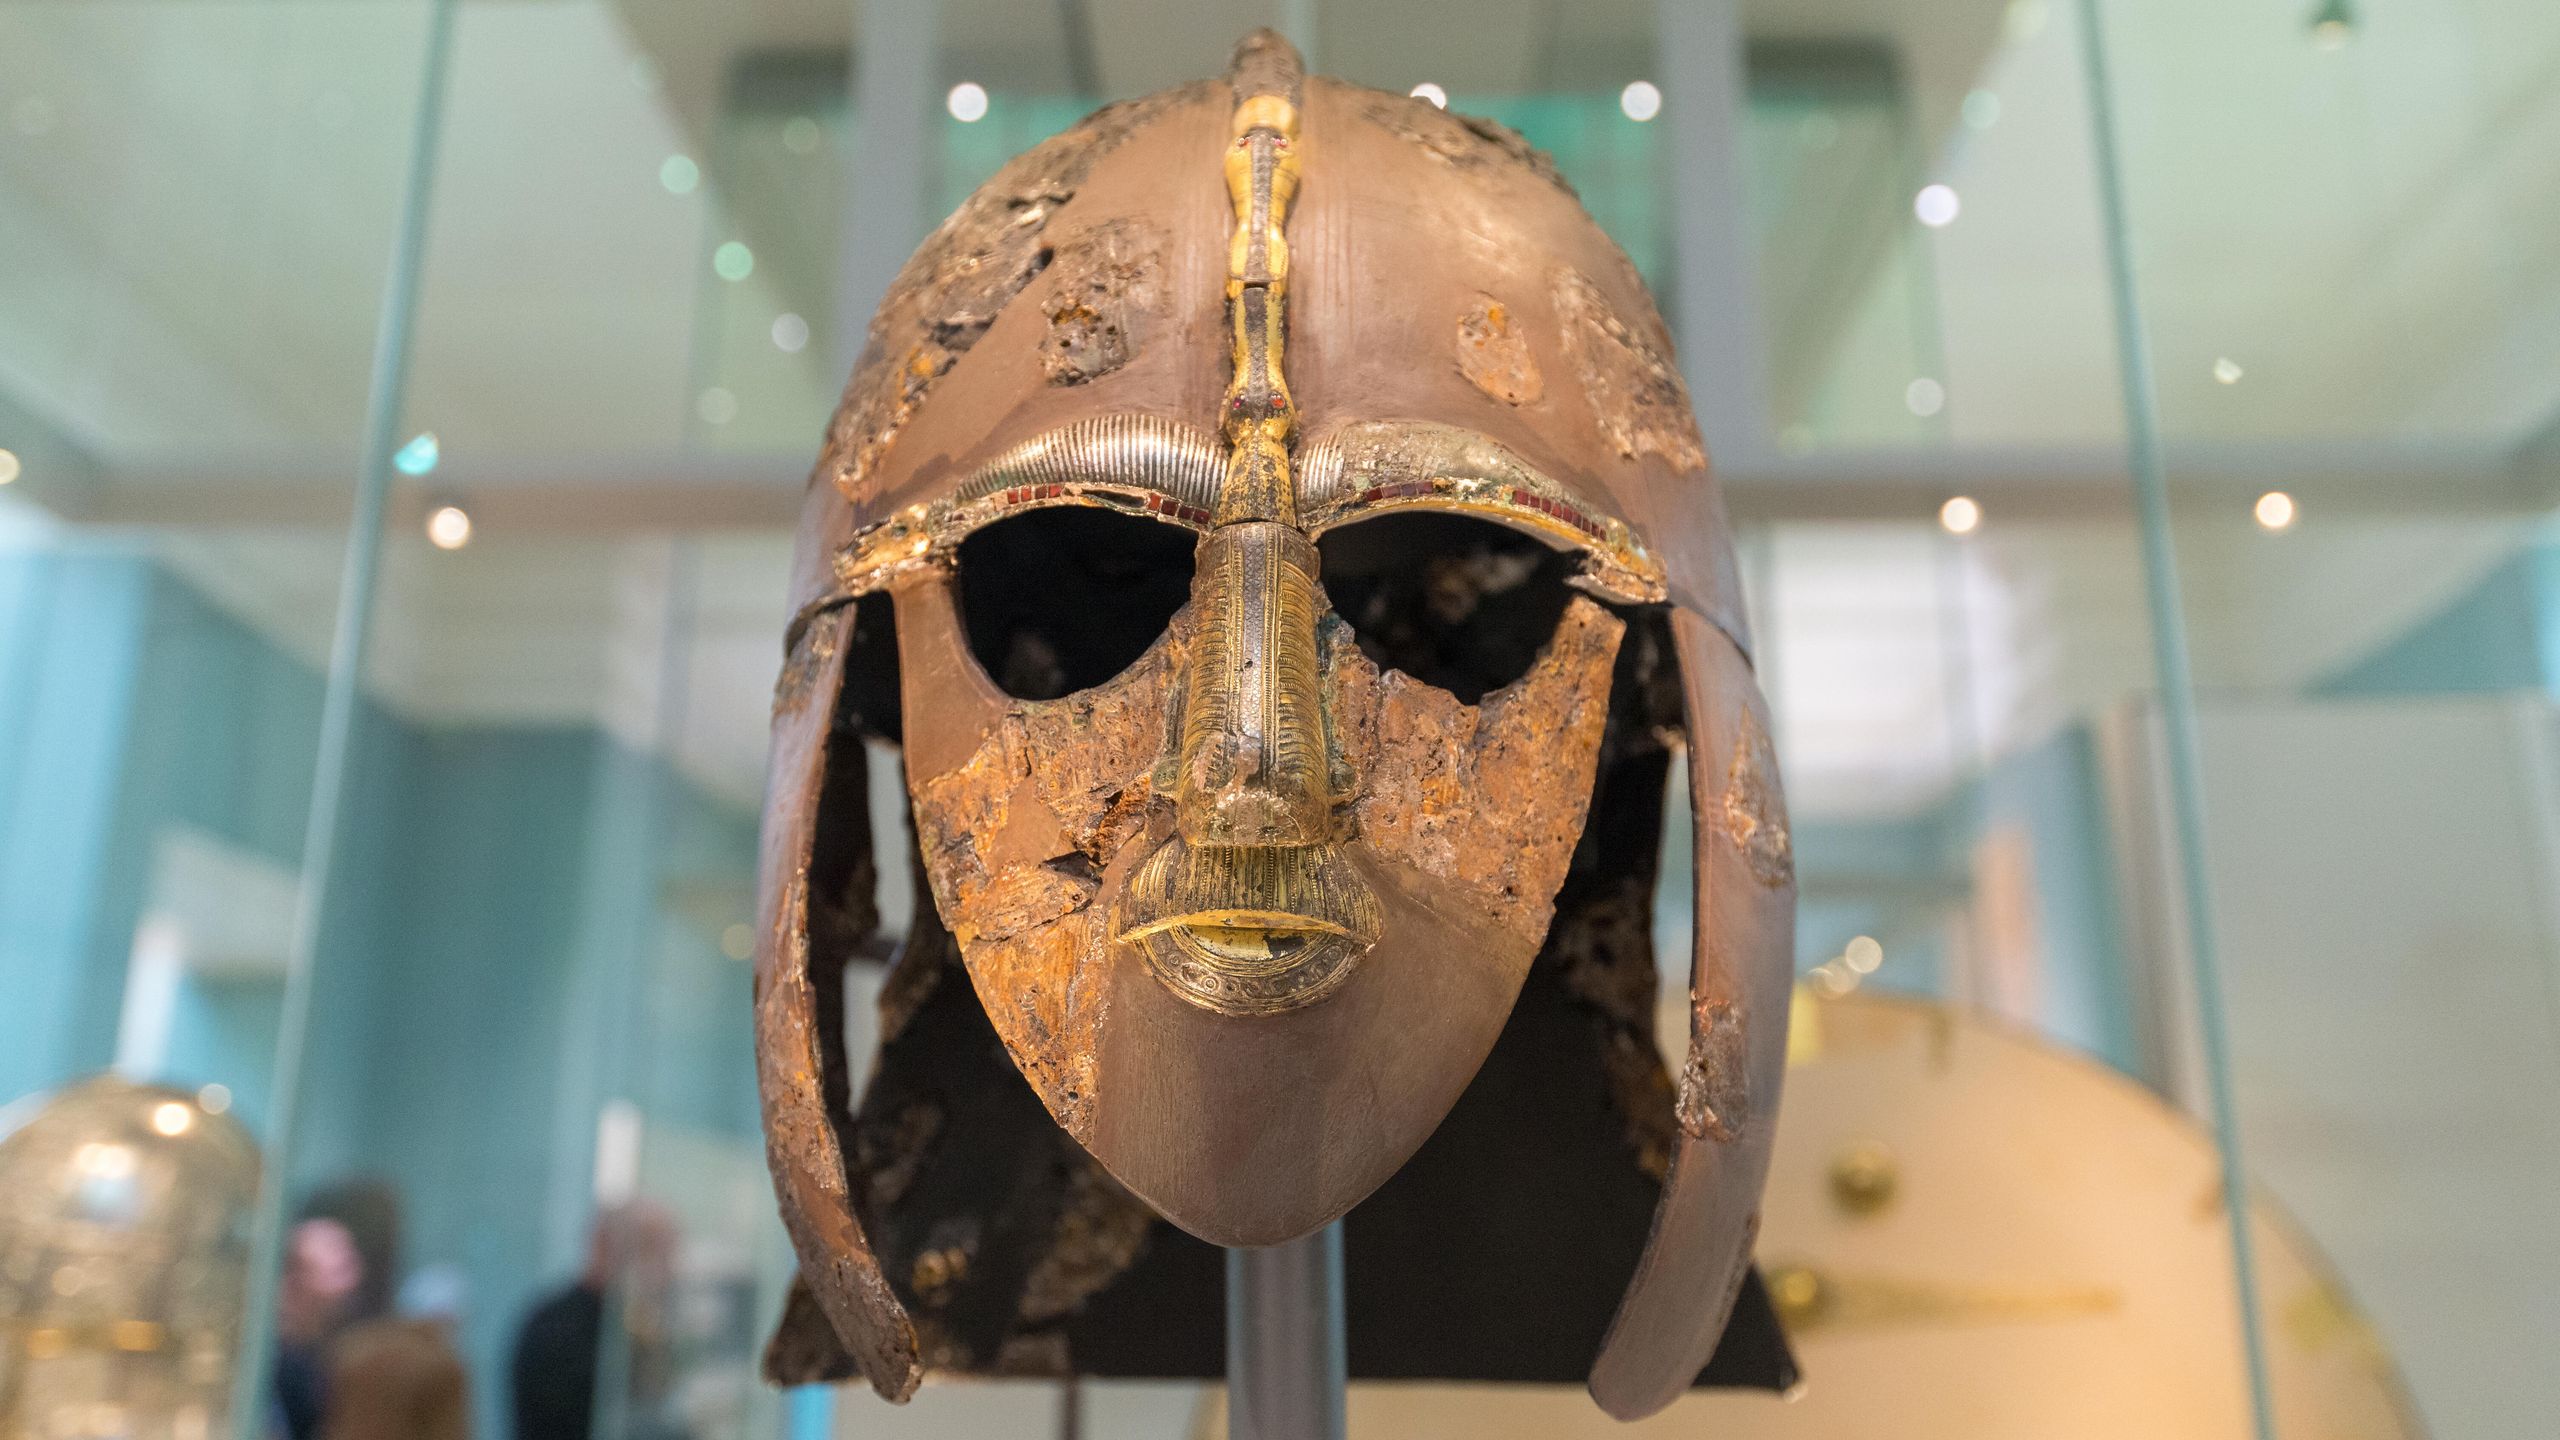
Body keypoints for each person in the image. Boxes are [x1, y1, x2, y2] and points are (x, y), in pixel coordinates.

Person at [508, 1205, 677, 1440]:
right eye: (654, 1252)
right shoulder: (559, 1329)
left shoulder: (620, 1323)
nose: (667, 1271)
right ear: (606, 1246)